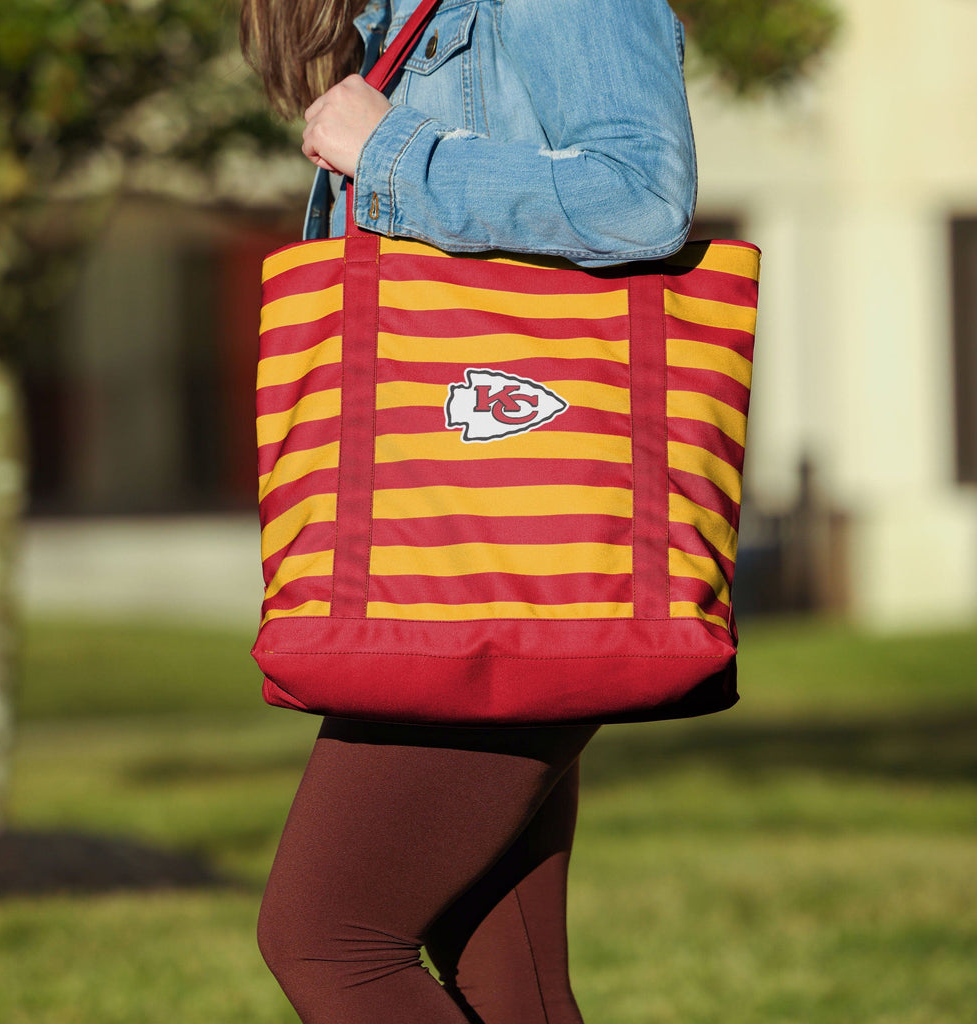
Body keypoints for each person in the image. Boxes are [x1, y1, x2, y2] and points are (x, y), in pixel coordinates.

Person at [240, 1, 697, 1021]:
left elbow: (643, 196)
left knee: (329, 938)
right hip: (458, 545)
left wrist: (388, 151)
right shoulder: (392, 19)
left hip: (494, 553)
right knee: (506, 972)